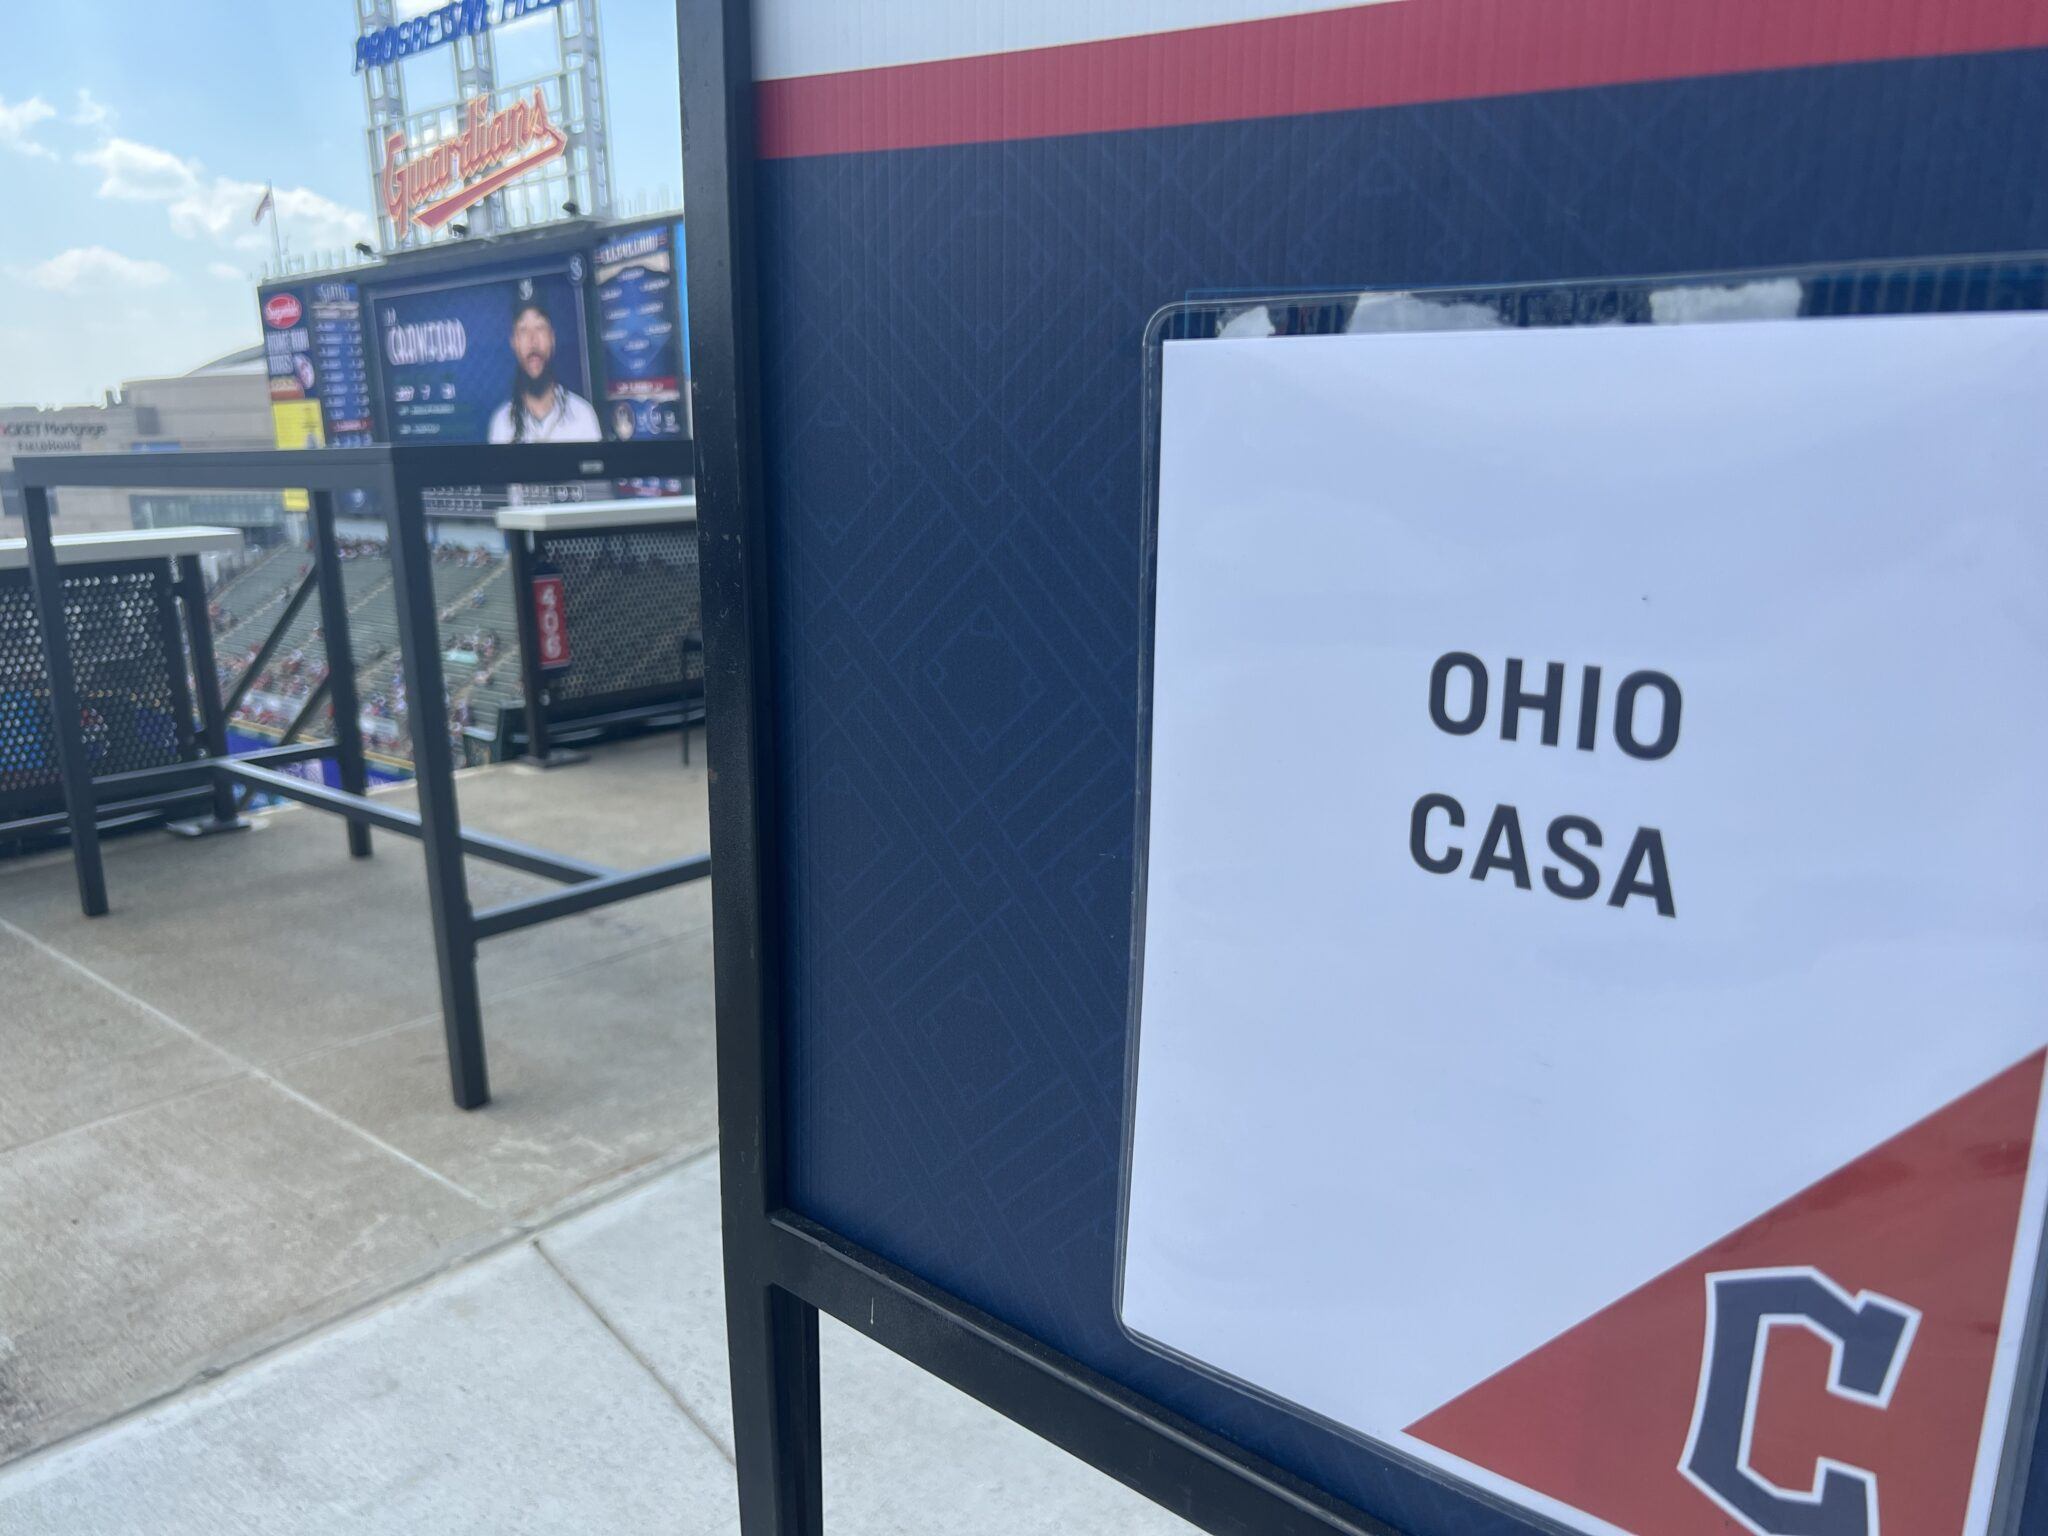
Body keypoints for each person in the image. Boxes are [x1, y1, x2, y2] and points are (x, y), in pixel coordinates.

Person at [487, 297, 601, 444]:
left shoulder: (582, 415)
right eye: (523, 330)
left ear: (552, 338)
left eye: (540, 327)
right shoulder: (502, 424)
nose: (532, 340)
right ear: (514, 343)